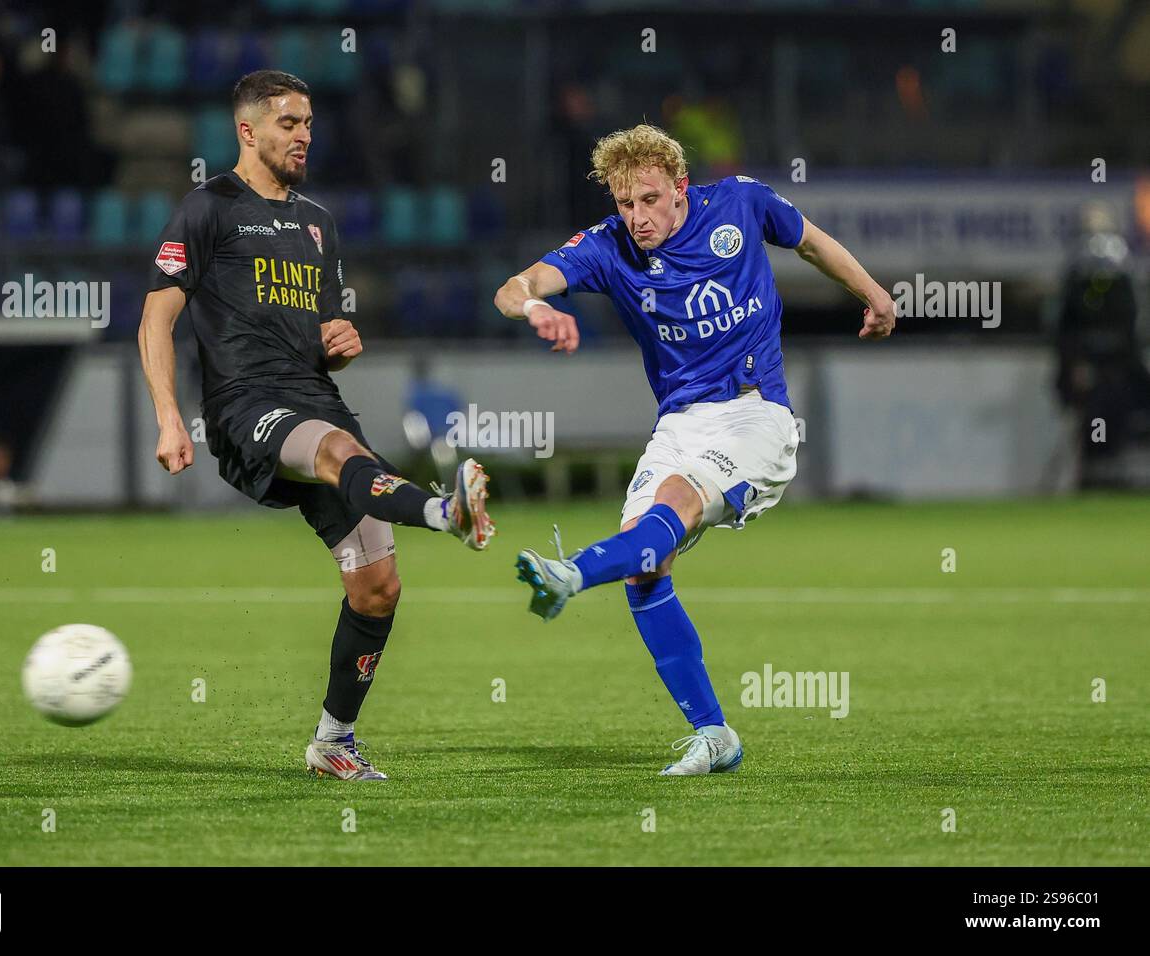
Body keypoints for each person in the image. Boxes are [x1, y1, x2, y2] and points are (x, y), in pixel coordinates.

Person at [494, 124, 895, 776]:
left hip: (755, 415)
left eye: (650, 200)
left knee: (672, 508)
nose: (638, 217)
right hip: (678, 425)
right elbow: (514, 286)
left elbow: (812, 242)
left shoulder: (740, 202)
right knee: (644, 564)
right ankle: (715, 736)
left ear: (681, 187)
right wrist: (535, 308)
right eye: (626, 203)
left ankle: (571, 575)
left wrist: (872, 293)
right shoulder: (607, 247)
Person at [138, 71, 494, 782]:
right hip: (245, 405)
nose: (303, 135)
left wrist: (340, 342)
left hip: (314, 395)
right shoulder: (208, 209)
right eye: (288, 123)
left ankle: (334, 741)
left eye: (307, 123)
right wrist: (170, 417)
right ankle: (442, 511)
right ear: (247, 131)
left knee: (378, 586)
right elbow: (156, 317)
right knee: (338, 451)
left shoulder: (318, 224)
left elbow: (324, 330)